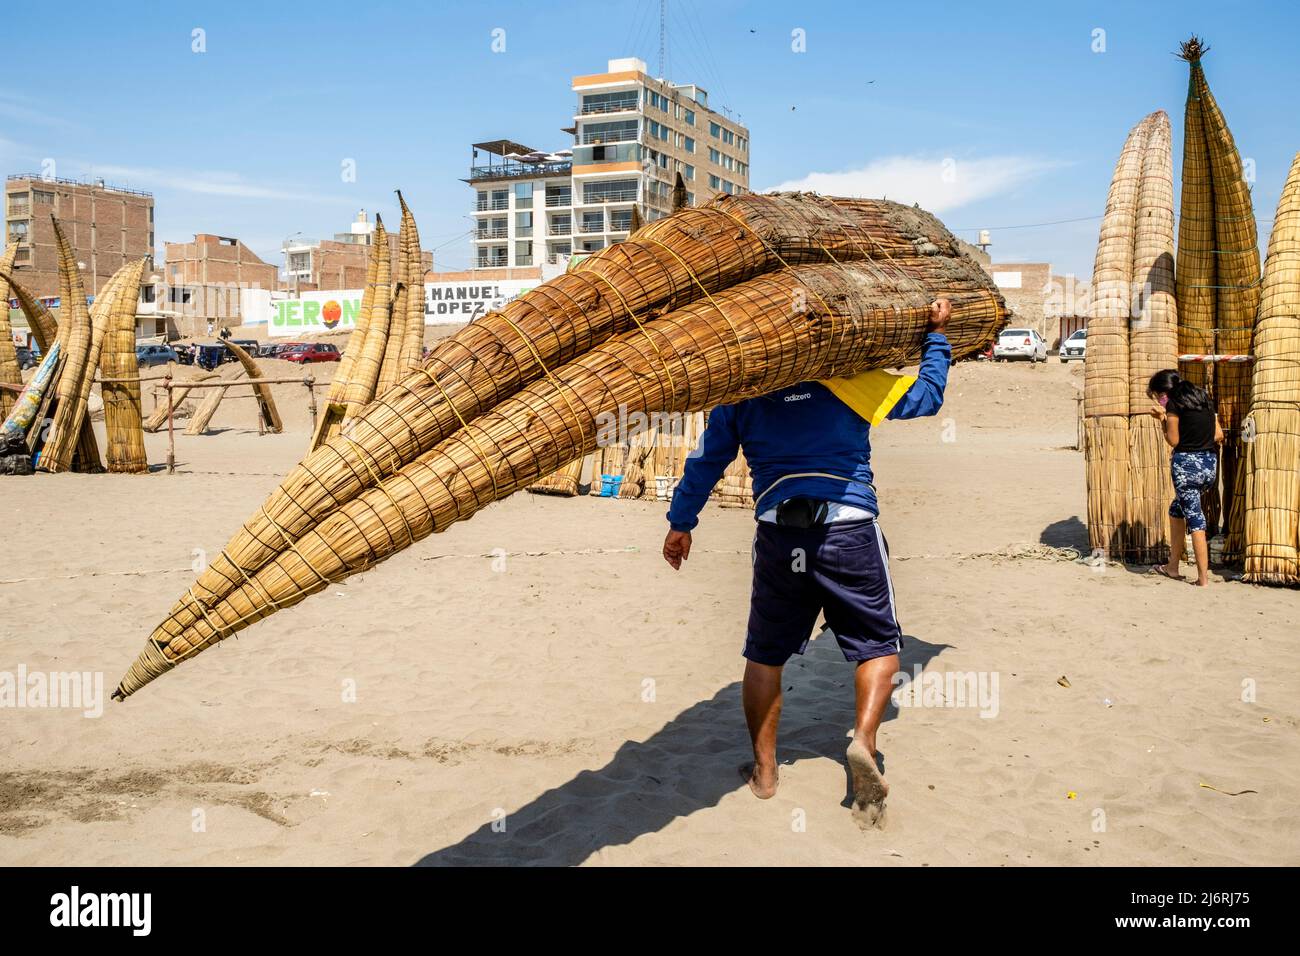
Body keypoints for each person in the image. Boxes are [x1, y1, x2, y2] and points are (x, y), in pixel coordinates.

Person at [661, 298, 954, 827]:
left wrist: (682, 522)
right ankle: (863, 741)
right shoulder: (851, 381)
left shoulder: (745, 393)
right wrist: (936, 335)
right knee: (878, 645)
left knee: (765, 655)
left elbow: (707, 462)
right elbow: (927, 398)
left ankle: (766, 772)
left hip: (779, 534)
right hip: (850, 531)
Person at [1147, 369, 1224, 587]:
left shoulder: (1174, 404)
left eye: (1158, 396)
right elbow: (1218, 435)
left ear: (1164, 392)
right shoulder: (1203, 397)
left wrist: (1162, 420)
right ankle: (1172, 567)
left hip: (1187, 469)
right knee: (1176, 510)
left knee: (1195, 519)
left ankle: (1202, 578)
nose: (1159, 400)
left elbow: (1173, 440)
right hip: (1209, 467)